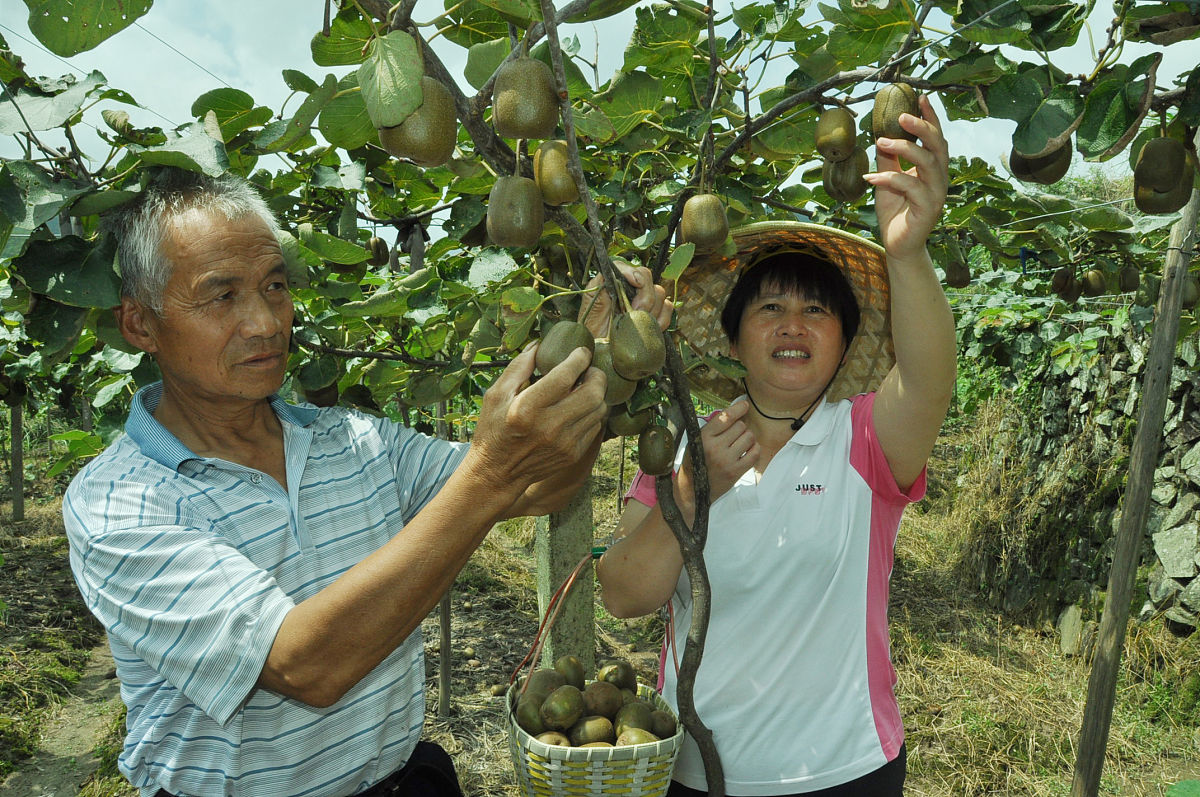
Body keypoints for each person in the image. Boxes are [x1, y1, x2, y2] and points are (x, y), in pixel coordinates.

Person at [61, 166, 671, 797]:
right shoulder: (119, 500)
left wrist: (596, 352)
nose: (266, 323)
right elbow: (305, 665)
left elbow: (542, 488)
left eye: (274, 287)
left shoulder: (351, 439)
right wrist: (492, 471)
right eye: (222, 296)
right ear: (139, 325)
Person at [596, 94, 956, 795]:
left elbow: (930, 382)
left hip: (844, 770)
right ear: (733, 336)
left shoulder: (862, 440)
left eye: (817, 309)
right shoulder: (683, 449)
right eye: (770, 307)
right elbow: (623, 594)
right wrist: (694, 492)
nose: (794, 324)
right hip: (694, 774)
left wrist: (907, 253)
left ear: (847, 340)